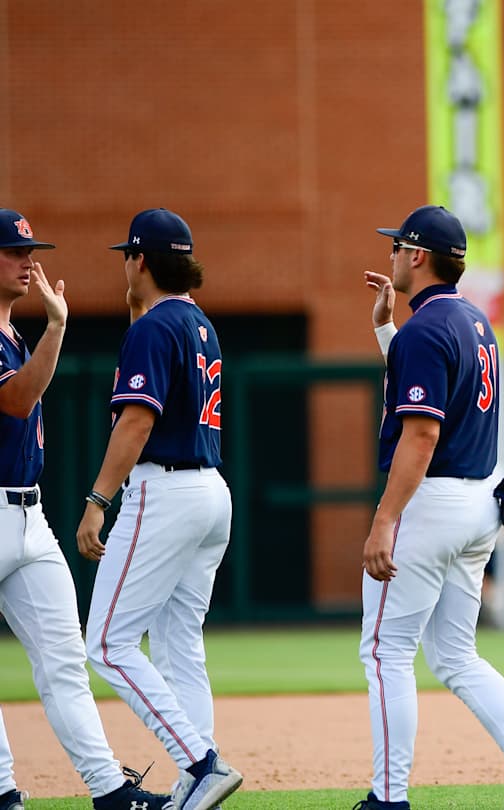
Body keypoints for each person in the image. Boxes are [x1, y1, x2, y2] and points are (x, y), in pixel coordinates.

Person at [353, 205, 504, 810]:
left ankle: (388, 799)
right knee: (455, 655)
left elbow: (421, 433)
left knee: (384, 651)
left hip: (434, 502)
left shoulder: (427, 329)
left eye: (398, 247)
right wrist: (385, 332)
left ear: (418, 255)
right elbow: (429, 390)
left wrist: (385, 519)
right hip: (481, 503)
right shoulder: (474, 321)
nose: (392, 255)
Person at [0, 211, 173, 810]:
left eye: (31, 250)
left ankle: (109, 792)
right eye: (13, 252)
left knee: (67, 661)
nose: (28, 261)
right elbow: (17, 400)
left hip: (30, 513)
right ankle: (1, 790)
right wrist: (58, 326)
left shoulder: (11, 335)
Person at [77, 209, 242, 810]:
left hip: (164, 492)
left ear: (139, 259)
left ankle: (201, 766)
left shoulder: (153, 329)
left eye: (128, 254)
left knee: (108, 644)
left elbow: (137, 422)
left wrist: (98, 499)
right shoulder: (197, 323)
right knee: (178, 646)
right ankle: (194, 782)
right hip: (209, 491)